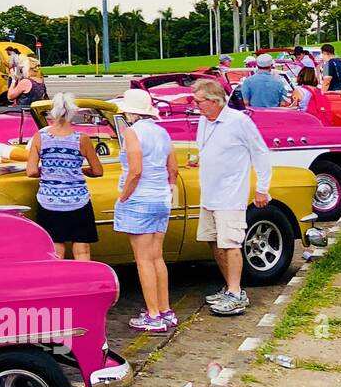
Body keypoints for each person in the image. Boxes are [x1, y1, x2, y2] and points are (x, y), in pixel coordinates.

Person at [192, 77, 271, 316]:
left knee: (231, 243)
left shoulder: (238, 121)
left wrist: (262, 187)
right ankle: (230, 287)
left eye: (200, 102)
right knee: (213, 241)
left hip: (230, 194)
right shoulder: (204, 122)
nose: (197, 106)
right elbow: (207, 149)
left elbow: (260, 152)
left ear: (215, 101)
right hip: (210, 194)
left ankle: (236, 293)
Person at [113, 88, 178, 332]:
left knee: (142, 260)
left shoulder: (132, 133)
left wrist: (123, 197)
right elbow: (173, 168)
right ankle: (165, 309)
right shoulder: (162, 132)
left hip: (140, 199)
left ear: (130, 112)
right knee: (156, 257)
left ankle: (152, 315)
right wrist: (168, 189)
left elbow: (136, 170)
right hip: (161, 198)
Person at [25, 91, 104, 259]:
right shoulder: (82, 139)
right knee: (82, 249)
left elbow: (31, 171)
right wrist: (77, 171)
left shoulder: (41, 137)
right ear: (72, 113)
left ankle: (59, 283)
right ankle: (84, 283)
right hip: (78, 200)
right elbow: (98, 171)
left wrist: (50, 171)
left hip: (49, 201)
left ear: (53, 112)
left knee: (56, 249)